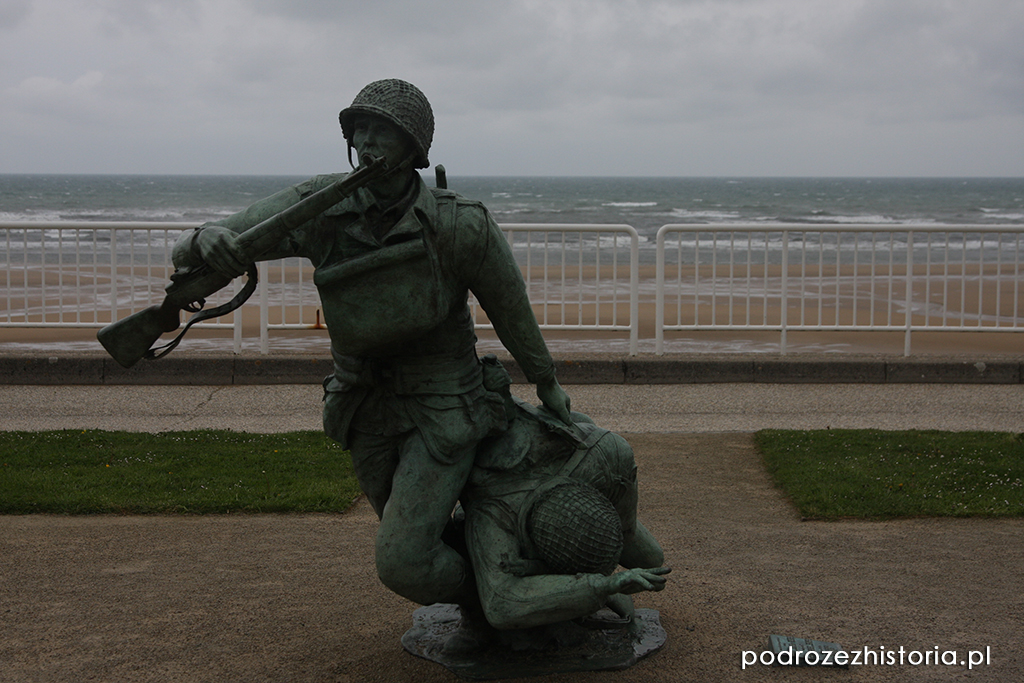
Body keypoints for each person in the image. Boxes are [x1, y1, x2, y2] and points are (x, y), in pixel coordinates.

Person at [170, 79, 571, 608]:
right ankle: (506, 600)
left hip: (444, 408)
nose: (366, 141)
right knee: (420, 541)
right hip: (363, 409)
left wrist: (547, 384)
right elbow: (208, 244)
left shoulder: (459, 224)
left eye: (381, 130)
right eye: (360, 129)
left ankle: (513, 602)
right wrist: (203, 238)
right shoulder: (318, 204)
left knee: (403, 561)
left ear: (413, 147)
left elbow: (511, 309)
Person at [456, 388, 668, 636]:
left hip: (586, 474)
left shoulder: (605, 451)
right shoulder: (491, 512)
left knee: (651, 559)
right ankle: (569, 588)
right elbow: (501, 605)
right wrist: (603, 586)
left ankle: (575, 577)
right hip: (515, 505)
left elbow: (582, 423)